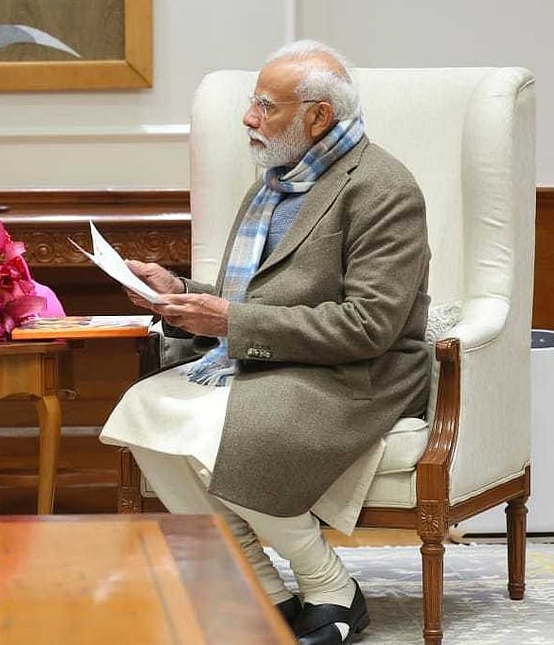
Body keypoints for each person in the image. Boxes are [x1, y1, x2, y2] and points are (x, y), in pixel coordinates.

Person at [100, 40, 430, 645]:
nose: (249, 118)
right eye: (252, 102)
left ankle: (330, 588)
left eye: (265, 105)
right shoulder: (275, 184)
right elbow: (250, 296)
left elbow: (370, 326)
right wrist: (177, 291)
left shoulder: (384, 188)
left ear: (318, 116)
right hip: (266, 358)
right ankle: (262, 587)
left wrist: (230, 323)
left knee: (238, 429)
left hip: (358, 372)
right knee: (145, 409)